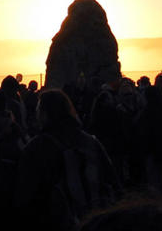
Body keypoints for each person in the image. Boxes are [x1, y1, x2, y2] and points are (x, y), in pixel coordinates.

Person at [17, 90, 118, 231]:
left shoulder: (37, 147)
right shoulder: (91, 142)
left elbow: (26, 194)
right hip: (94, 218)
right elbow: (111, 179)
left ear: (44, 114)